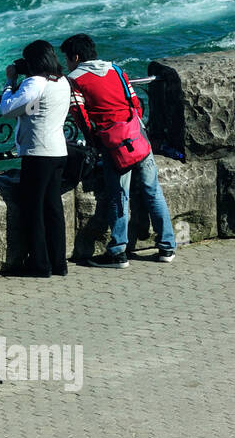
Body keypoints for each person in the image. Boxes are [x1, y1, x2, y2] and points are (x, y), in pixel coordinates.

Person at [61, 33, 176, 266]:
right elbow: (135, 103)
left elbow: (80, 115)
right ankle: (167, 247)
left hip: (113, 144)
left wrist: (94, 141)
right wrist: (132, 128)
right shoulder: (116, 69)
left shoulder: (73, 79)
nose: (66, 63)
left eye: (67, 58)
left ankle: (117, 251)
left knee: (118, 196)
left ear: (75, 57)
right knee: (153, 191)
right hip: (137, 136)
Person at [0, 40, 72, 277]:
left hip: (38, 154)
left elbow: (8, 109)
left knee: (34, 209)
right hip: (58, 151)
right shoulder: (61, 81)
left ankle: (39, 265)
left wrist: (10, 82)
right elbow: (36, 109)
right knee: (52, 208)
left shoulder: (35, 82)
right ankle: (58, 262)